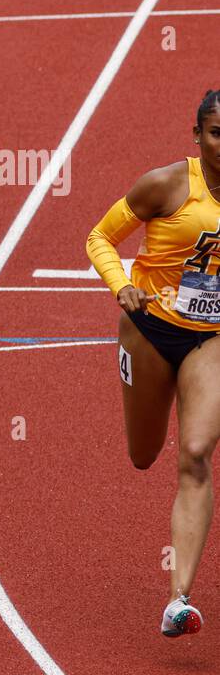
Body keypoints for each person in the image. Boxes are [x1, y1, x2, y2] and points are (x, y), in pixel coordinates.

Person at [86, 89, 220, 637]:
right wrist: (121, 287)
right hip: (148, 330)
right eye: (217, 133)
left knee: (195, 453)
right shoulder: (166, 184)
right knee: (143, 454)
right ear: (197, 136)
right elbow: (100, 237)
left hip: (210, 338)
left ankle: (179, 600)